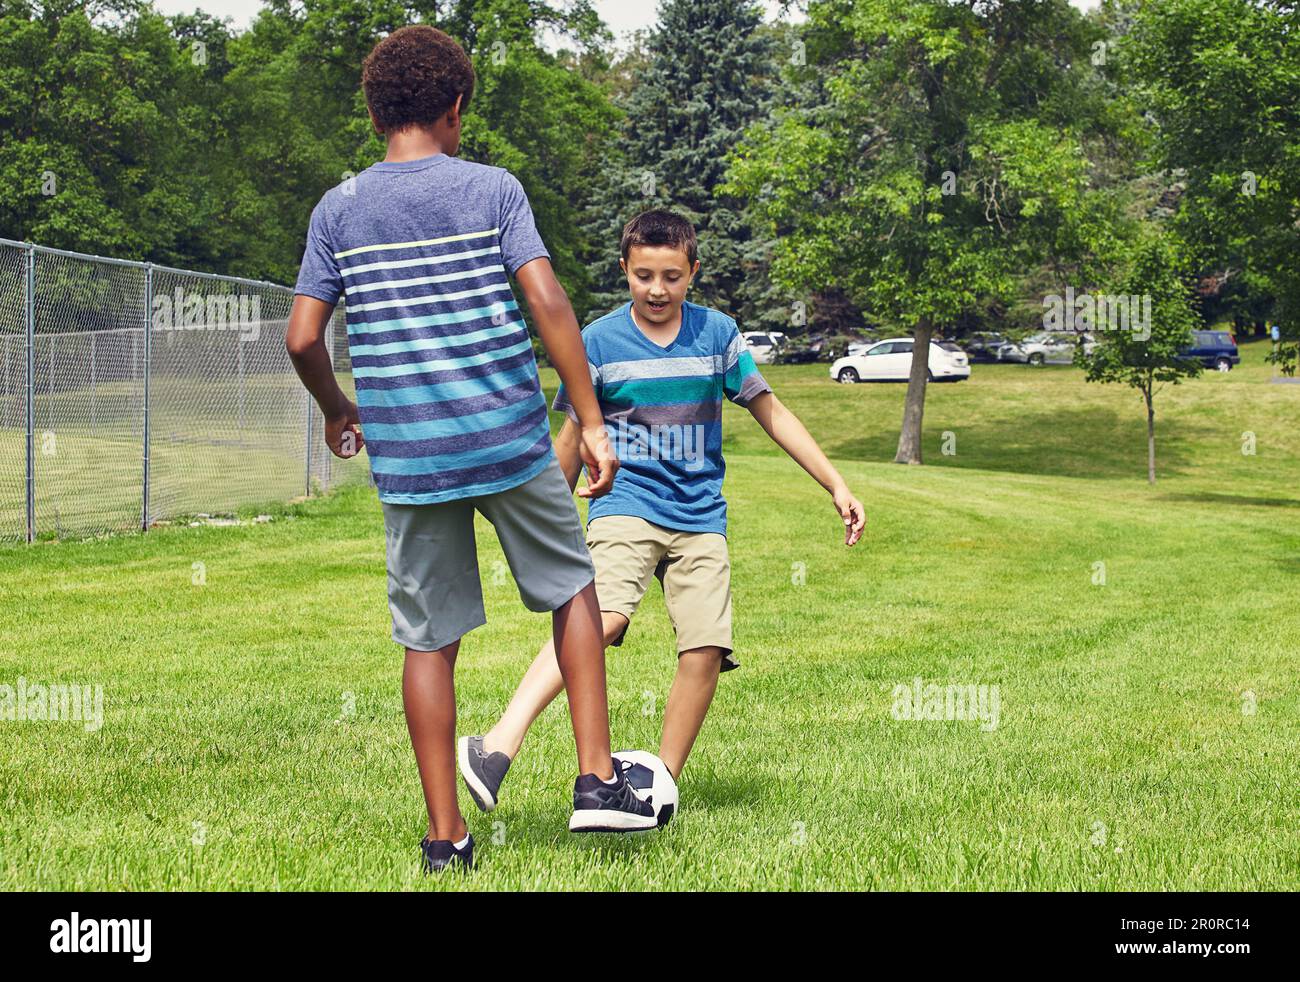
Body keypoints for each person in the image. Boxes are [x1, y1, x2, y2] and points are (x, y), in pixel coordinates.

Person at [285, 25, 655, 874]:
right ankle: (596, 782)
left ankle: (446, 839)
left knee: (428, 638)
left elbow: (304, 335)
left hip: (412, 459)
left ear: (378, 111)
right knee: (572, 589)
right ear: (454, 110)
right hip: (507, 438)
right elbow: (548, 302)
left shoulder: (338, 208)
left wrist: (339, 407)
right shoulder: (492, 189)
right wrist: (591, 418)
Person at [458, 209, 866, 818]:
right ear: (624, 269)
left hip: (701, 515)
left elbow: (771, 411)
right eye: (643, 274)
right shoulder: (596, 341)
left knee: (705, 647)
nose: (656, 289)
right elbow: (570, 435)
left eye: (672, 276)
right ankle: (496, 744)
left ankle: (657, 787)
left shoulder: (718, 335)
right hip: (624, 504)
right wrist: (546, 519)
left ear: (693, 272)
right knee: (607, 618)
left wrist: (834, 481)